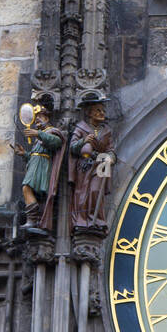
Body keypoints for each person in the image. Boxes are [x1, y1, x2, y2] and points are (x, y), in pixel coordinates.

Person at [15, 103, 65, 232]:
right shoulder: (40, 136)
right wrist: (24, 154)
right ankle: (34, 219)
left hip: (42, 168)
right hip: (35, 166)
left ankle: (33, 219)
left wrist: (38, 134)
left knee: (26, 187)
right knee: (28, 189)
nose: (37, 121)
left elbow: (56, 142)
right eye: (35, 119)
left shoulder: (52, 131)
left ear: (47, 118)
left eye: (39, 118)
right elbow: (34, 156)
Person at [69, 97, 116, 232]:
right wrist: (84, 141)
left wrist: (110, 158)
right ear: (89, 113)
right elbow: (72, 147)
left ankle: (96, 219)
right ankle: (82, 220)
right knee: (83, 191)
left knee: (96, 191)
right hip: (86, 163)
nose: (102, 113)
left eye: (103, 111)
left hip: (102, 163)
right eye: (98, 110)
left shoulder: (106, 131)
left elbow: (111, 150)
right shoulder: (81, 128)